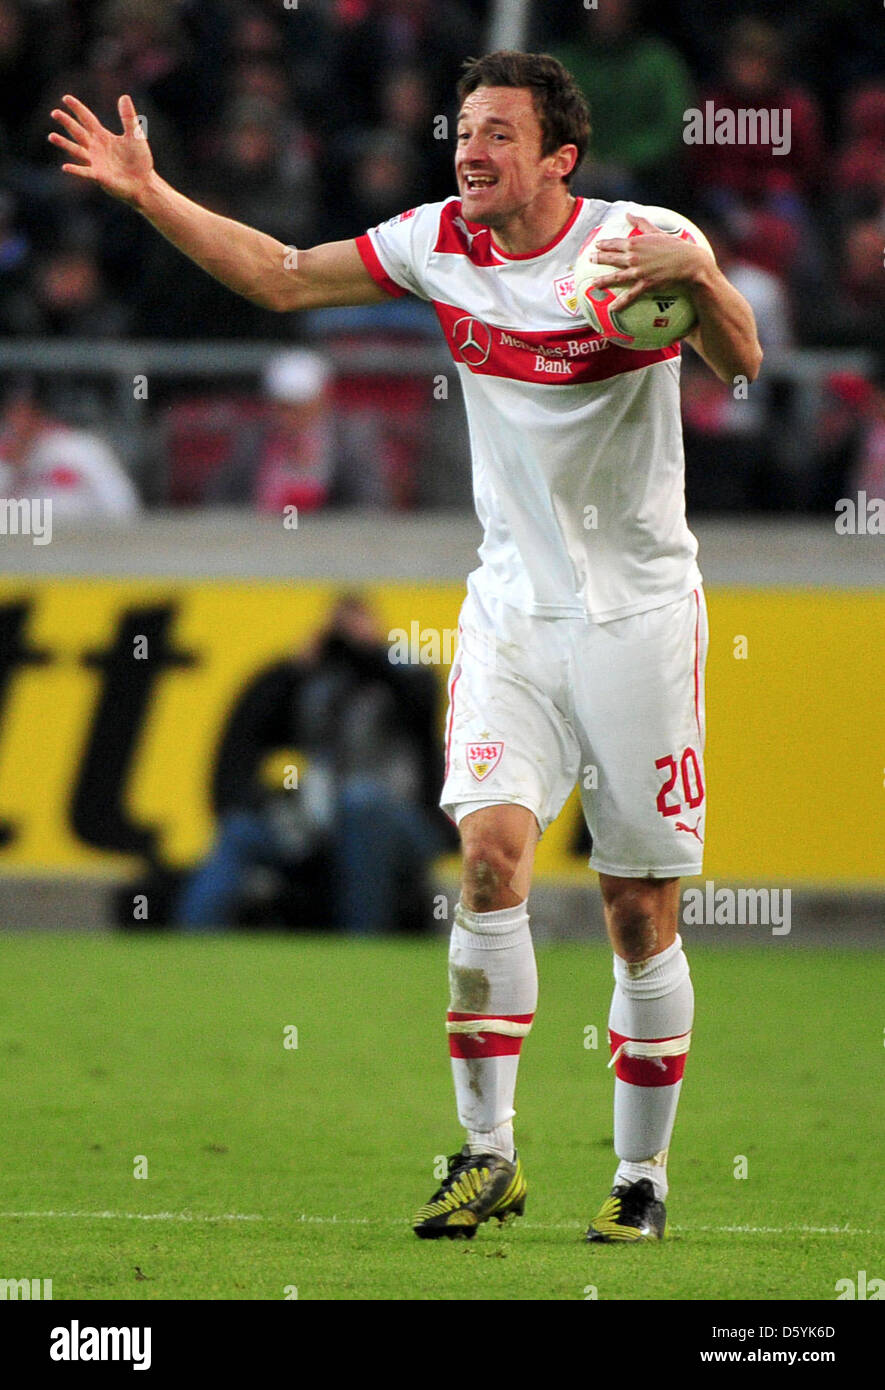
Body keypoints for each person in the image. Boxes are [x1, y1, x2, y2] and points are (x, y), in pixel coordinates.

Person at [49, 50, 761, 1243]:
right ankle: (488, 1155)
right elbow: (281, 277)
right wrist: (152, 193)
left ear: (559, 159)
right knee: (488, 860)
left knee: (639, 905)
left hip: (639, 617)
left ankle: (642, 1177)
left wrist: (702, 273)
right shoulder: (440, 242)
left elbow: (738, 363)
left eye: (497, 135)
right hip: (509, 612)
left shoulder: (642, 242)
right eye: (464, 130)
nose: (470, 152)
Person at [175, 593, 449, 935]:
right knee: (241, 831)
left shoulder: (405, 674)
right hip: (318, 822)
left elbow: (421, 703)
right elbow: (249, 730)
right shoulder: (312, 684)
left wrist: (373, 653)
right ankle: (191, 943)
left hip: (402, 825)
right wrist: (293, 669)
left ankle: (362, 944)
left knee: (360, 801)